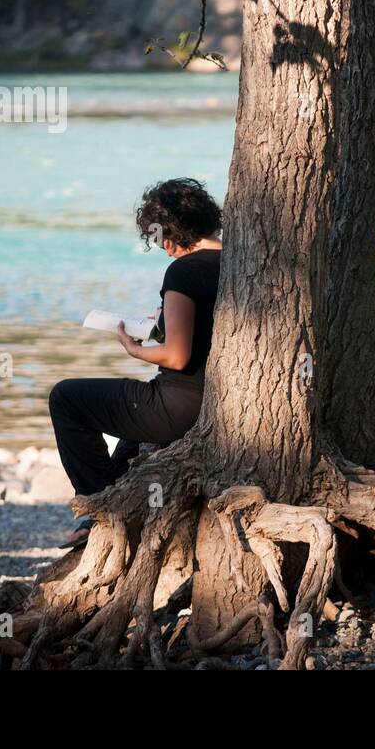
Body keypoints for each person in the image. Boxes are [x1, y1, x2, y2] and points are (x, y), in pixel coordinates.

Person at [48, 178, 222, 547]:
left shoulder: (184, 271)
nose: (163, 250)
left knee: (66, 399)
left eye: (160, 241)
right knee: (127, 435)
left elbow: (177, 356)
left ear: (171, 235)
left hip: (180, 406)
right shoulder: (241, 259)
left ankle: (101, 513)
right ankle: (117, 502)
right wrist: (161, 325)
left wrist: (134, 347)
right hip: (215, 400)